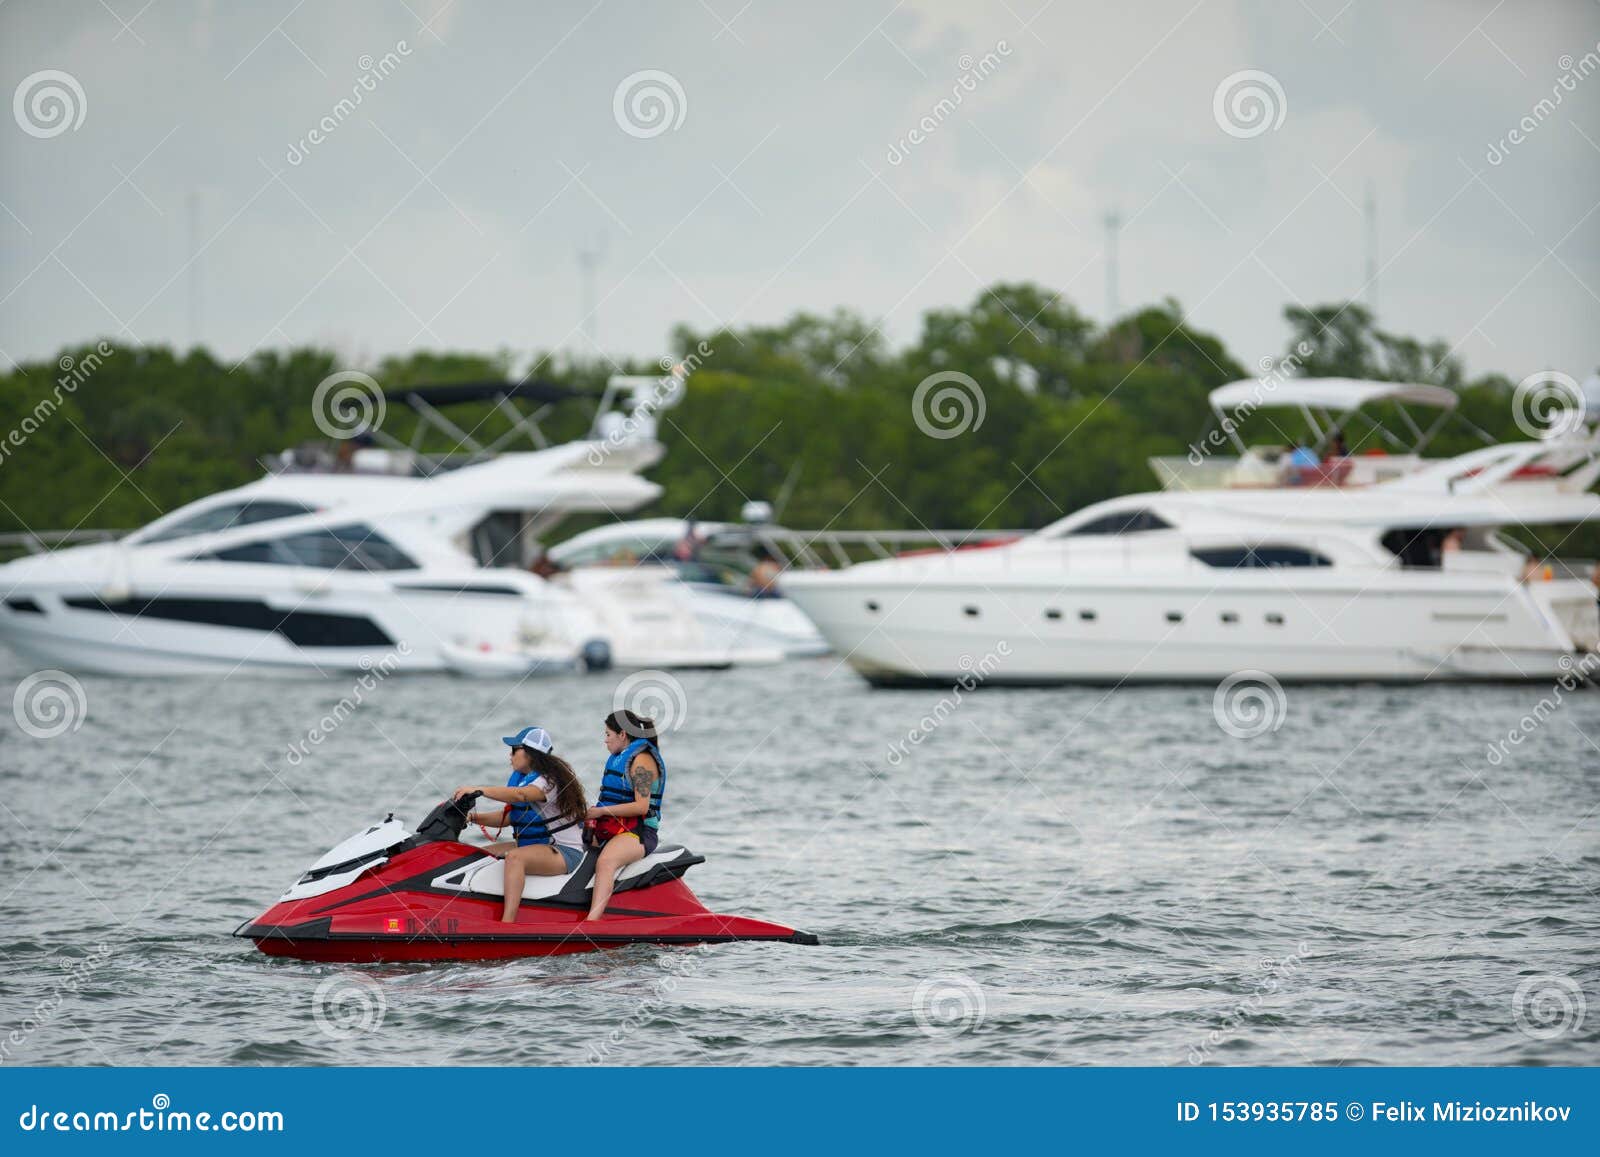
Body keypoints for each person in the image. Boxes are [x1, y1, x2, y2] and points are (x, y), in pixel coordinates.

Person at [453, 726, 588, 923]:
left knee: (515, 858)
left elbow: (521, 795)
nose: (510, 755)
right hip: (538, 845)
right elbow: (509, 818)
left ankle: (507, 922)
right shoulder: (525, 780)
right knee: (478, 855)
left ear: (529, 753)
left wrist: (478, 789)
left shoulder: (547, 781)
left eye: (514, 749)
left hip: (564, 851)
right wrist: (472, 818)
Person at [583, 710, 666, 921]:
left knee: (605, 863)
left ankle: (592, 923)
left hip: (639, 831)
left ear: (622, 734)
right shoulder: (620, 758)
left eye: (608, 734)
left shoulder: (642, 761)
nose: (605, 740)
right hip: (615, 826)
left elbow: (641, 807)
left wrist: (601, 811)